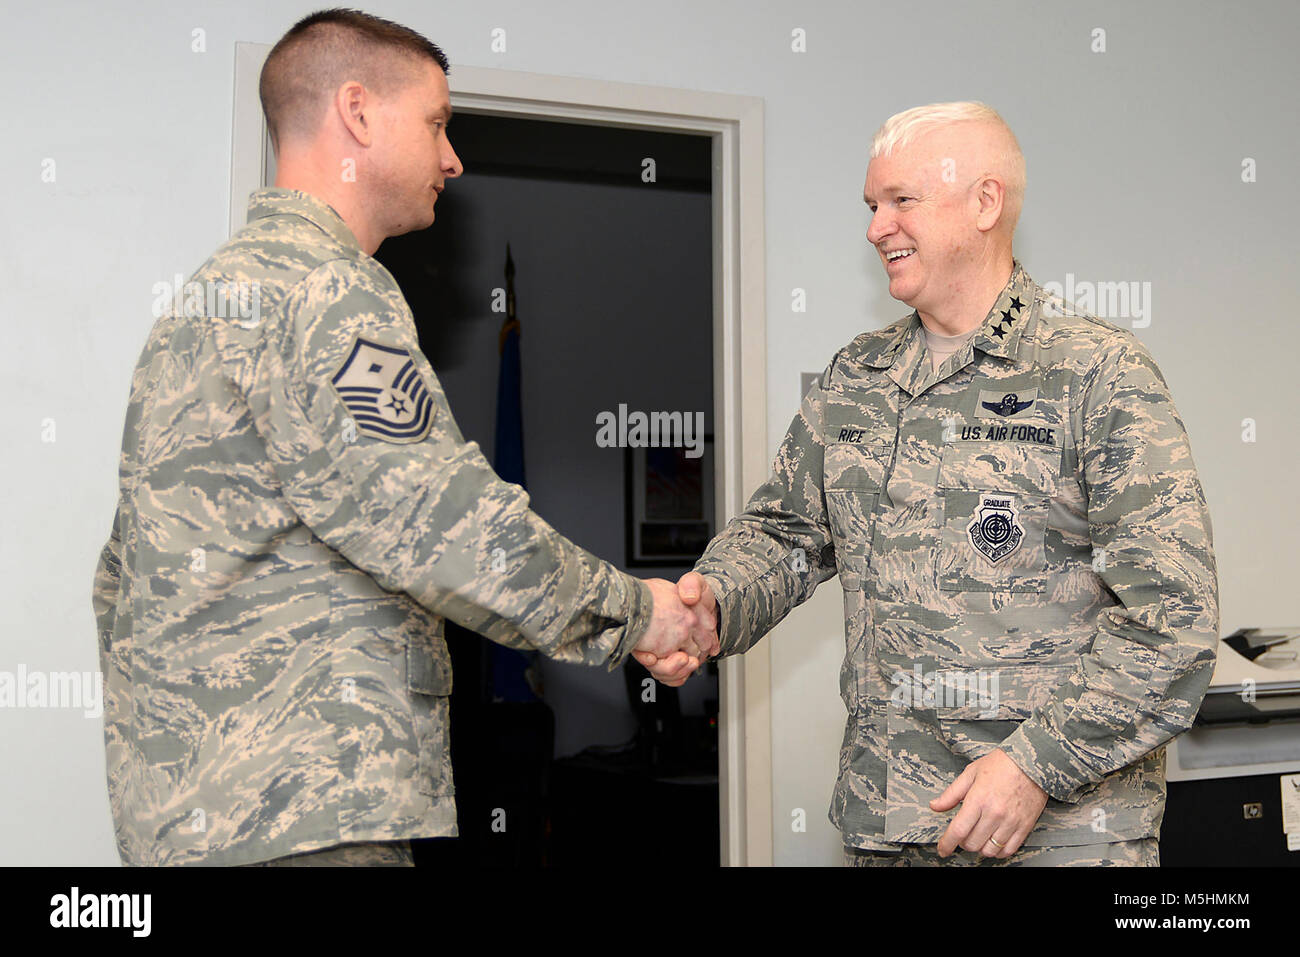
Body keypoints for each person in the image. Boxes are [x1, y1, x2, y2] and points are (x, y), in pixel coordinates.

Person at [91, 8, 716, 867]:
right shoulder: (330, 291)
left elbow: (117, 579)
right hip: (310, 814)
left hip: (194, 816)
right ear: (357, 112)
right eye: (436, 123)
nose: (452, 158)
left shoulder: (203, 304)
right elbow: (448, 525)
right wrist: (638, 613)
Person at [637, 101, 1218, 867]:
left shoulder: (1096, 373)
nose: (876, 228)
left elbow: (1172, 618)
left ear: (985, 202)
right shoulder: (857, 376)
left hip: (1055, 833)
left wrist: (1035, 764)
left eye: (899, 201)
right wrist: (708, 602)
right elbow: (784, 537)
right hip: (890, 823)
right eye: (872, 206)